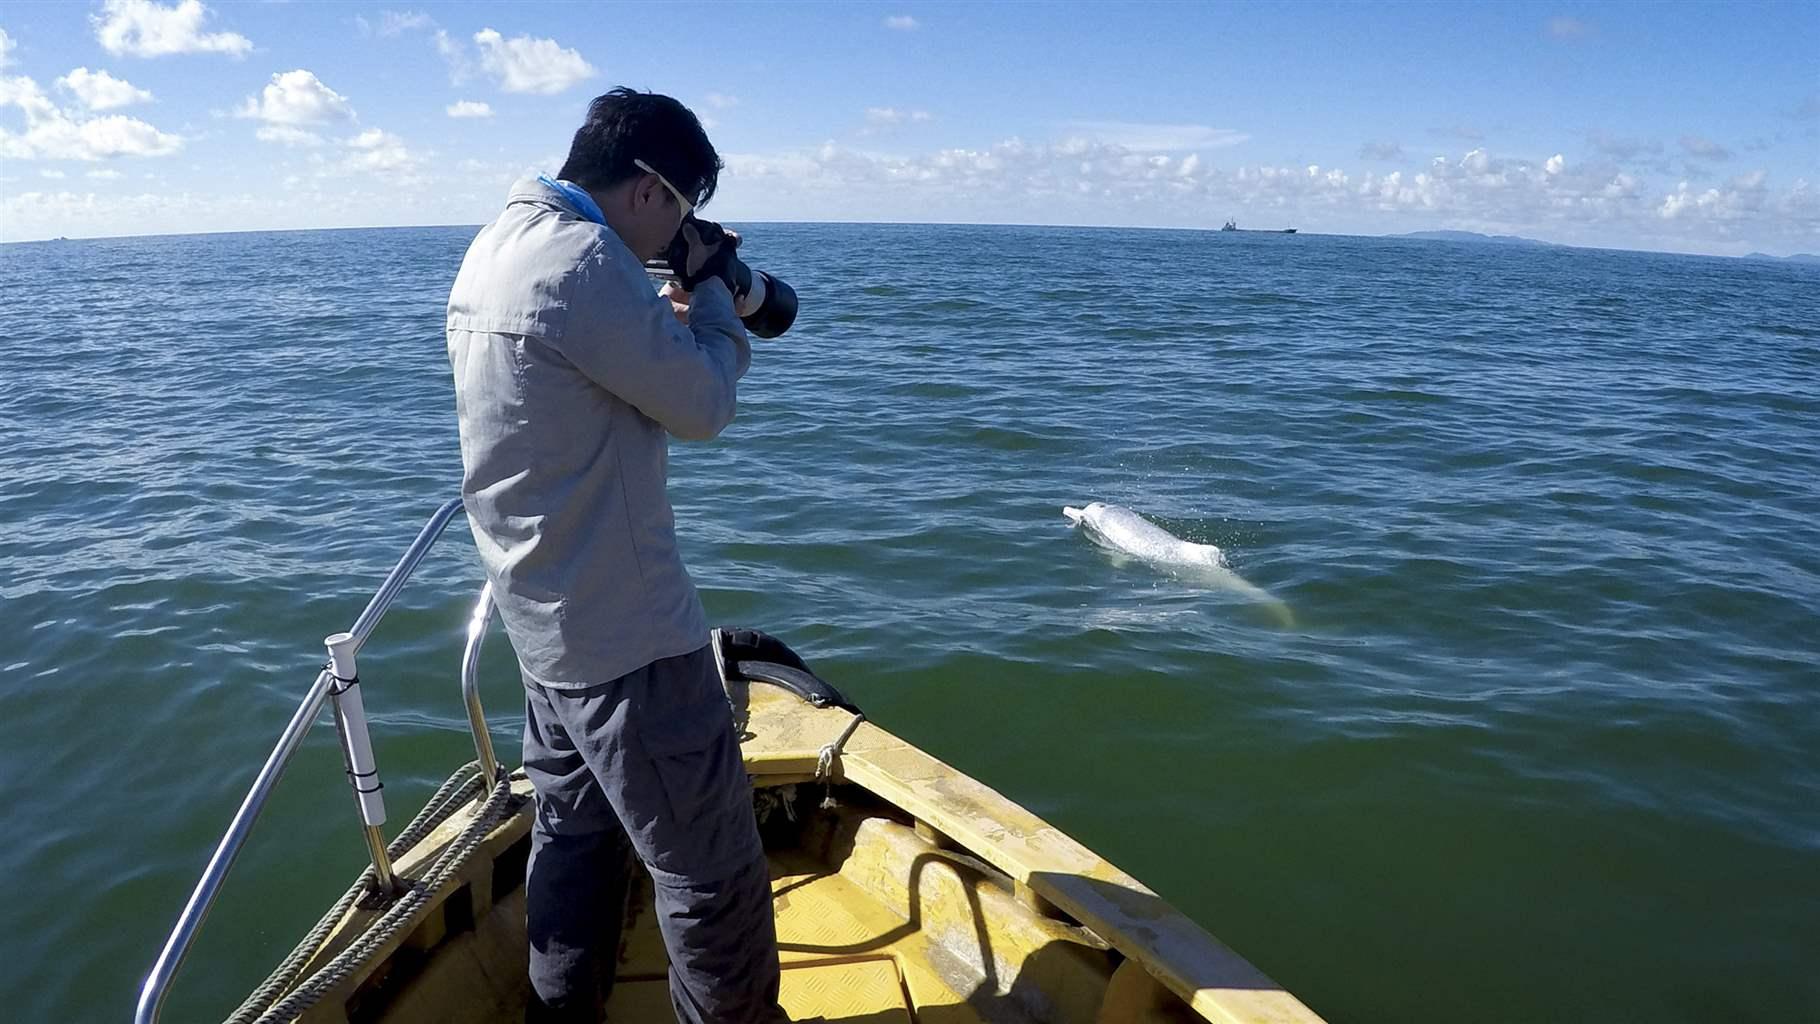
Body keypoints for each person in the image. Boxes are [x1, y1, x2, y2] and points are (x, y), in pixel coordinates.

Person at [445, 87, 784, 1024]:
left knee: (574, 846)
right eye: (679, 209)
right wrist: (714, 297)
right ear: (647, 189)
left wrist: (660, 311)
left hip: (548, 632)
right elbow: (703, 404)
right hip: (633, 644)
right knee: (710, 877)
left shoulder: (498, 247)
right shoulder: (587, 260)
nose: (675, 231)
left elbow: (582, 381)